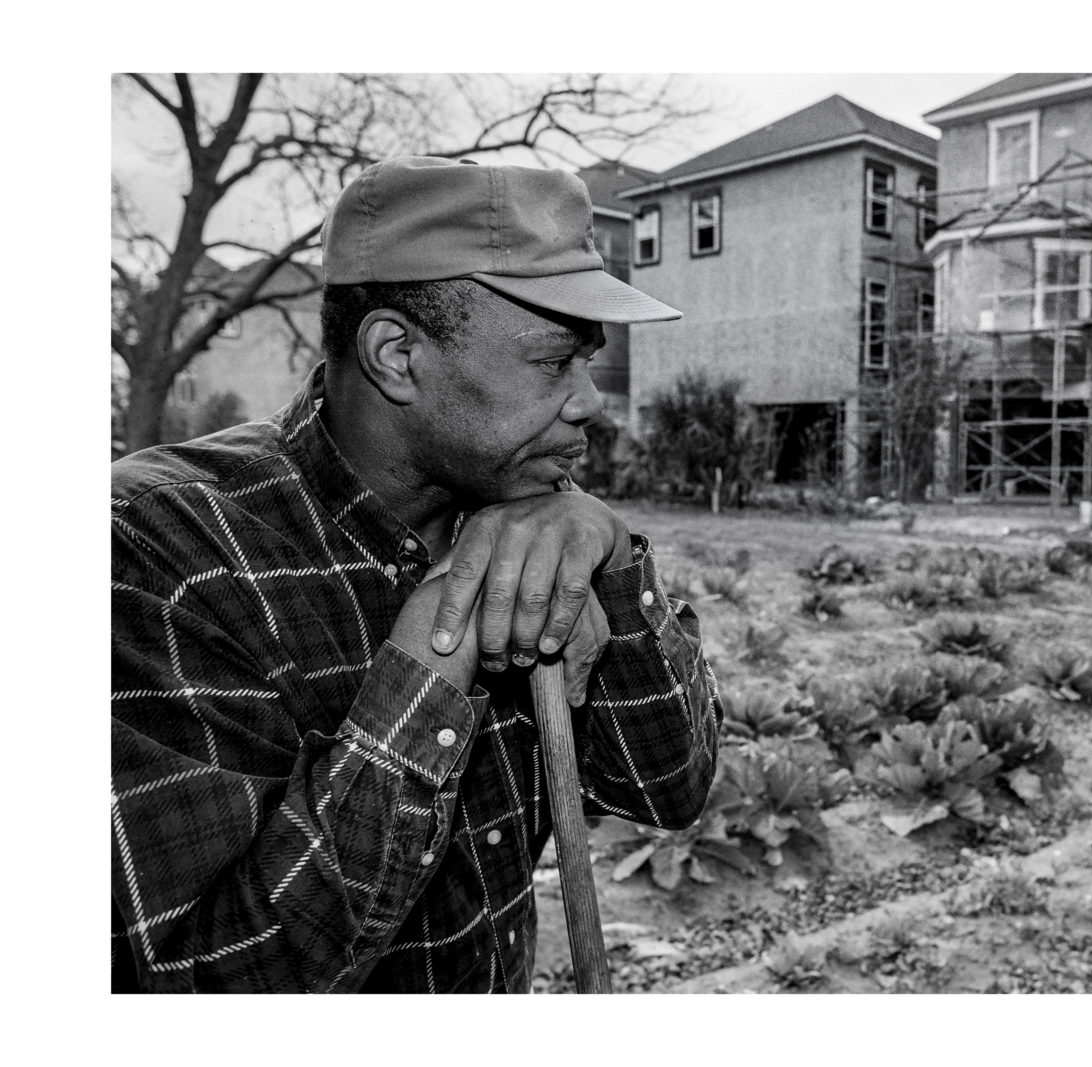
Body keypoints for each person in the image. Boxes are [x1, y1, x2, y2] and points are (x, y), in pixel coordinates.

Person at [111, 156, 723, 993]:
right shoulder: (161, 551)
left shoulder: (526, 501)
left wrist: (613, 559)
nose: (591, 403)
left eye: (589, 362)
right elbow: (204, 982)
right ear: (397, 354)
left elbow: (670, 790)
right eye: (553, 362)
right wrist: (430, 666)